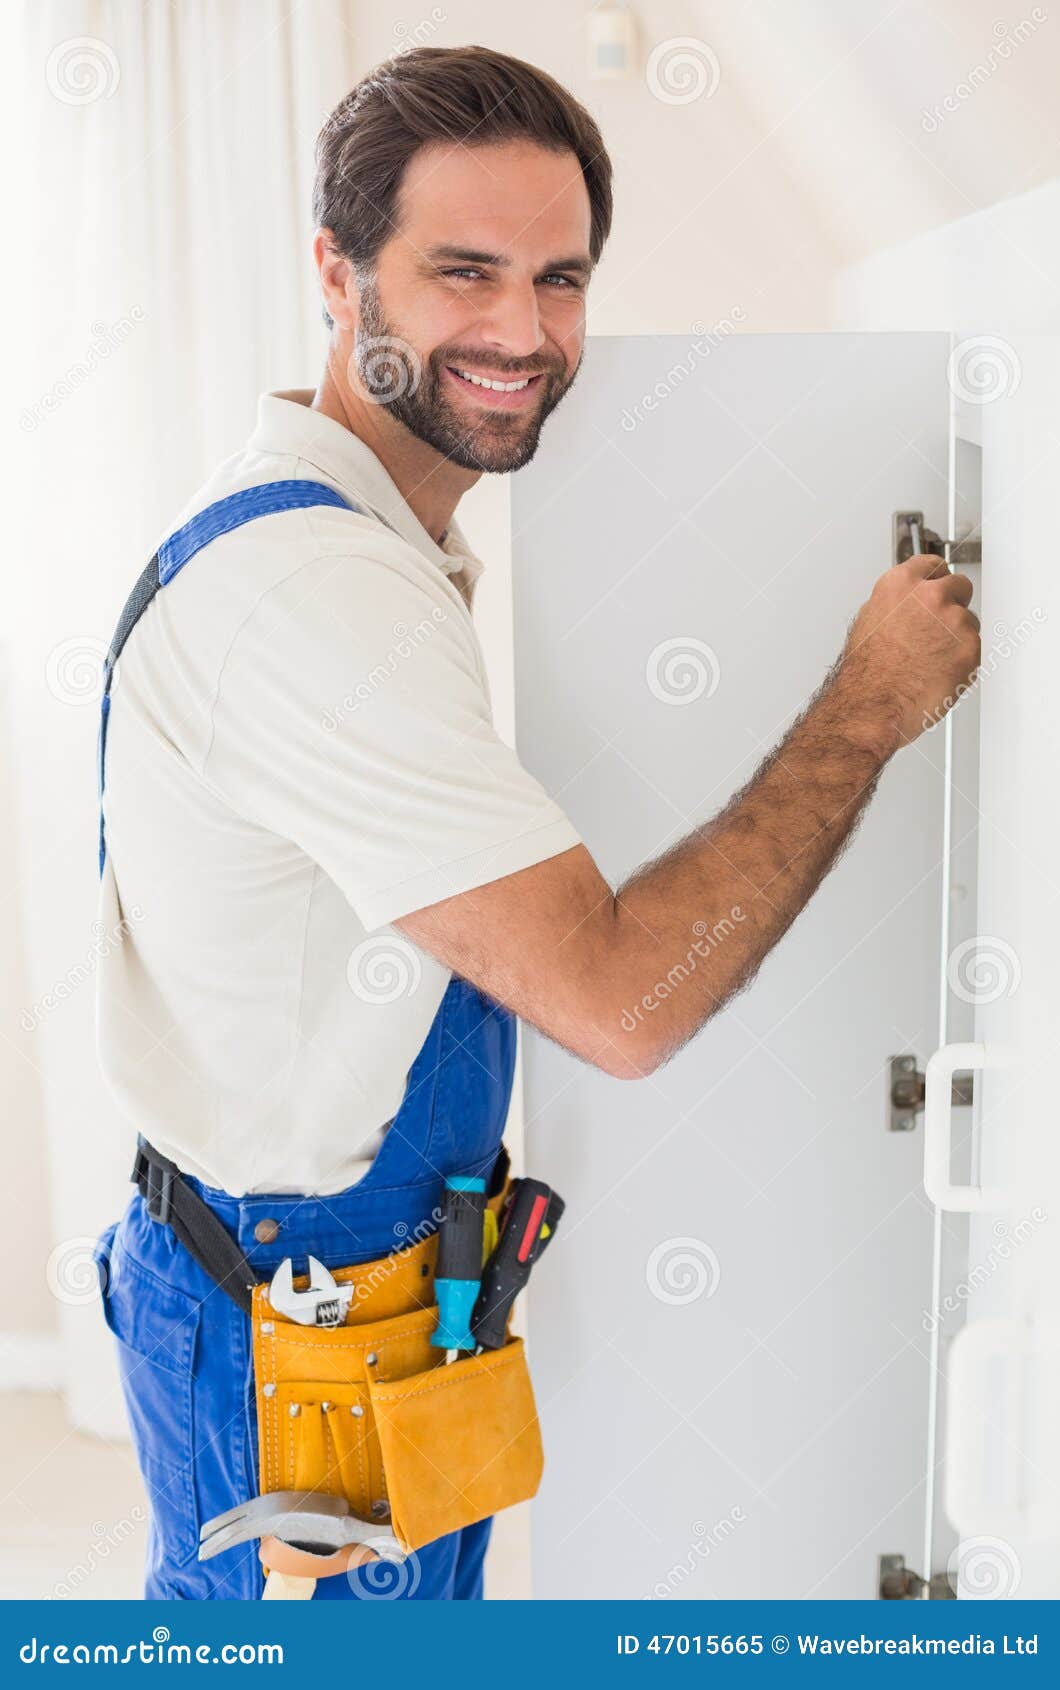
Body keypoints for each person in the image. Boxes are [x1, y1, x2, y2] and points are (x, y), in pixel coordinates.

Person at [93, 45, 980, 1601]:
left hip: (339, 1302)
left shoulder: (346, 544)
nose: (524, 331)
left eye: (559, 278)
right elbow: (622, 999)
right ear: (337, 271)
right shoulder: (316, 601)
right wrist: (870, 700)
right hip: (290, 1341)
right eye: (463, 273)